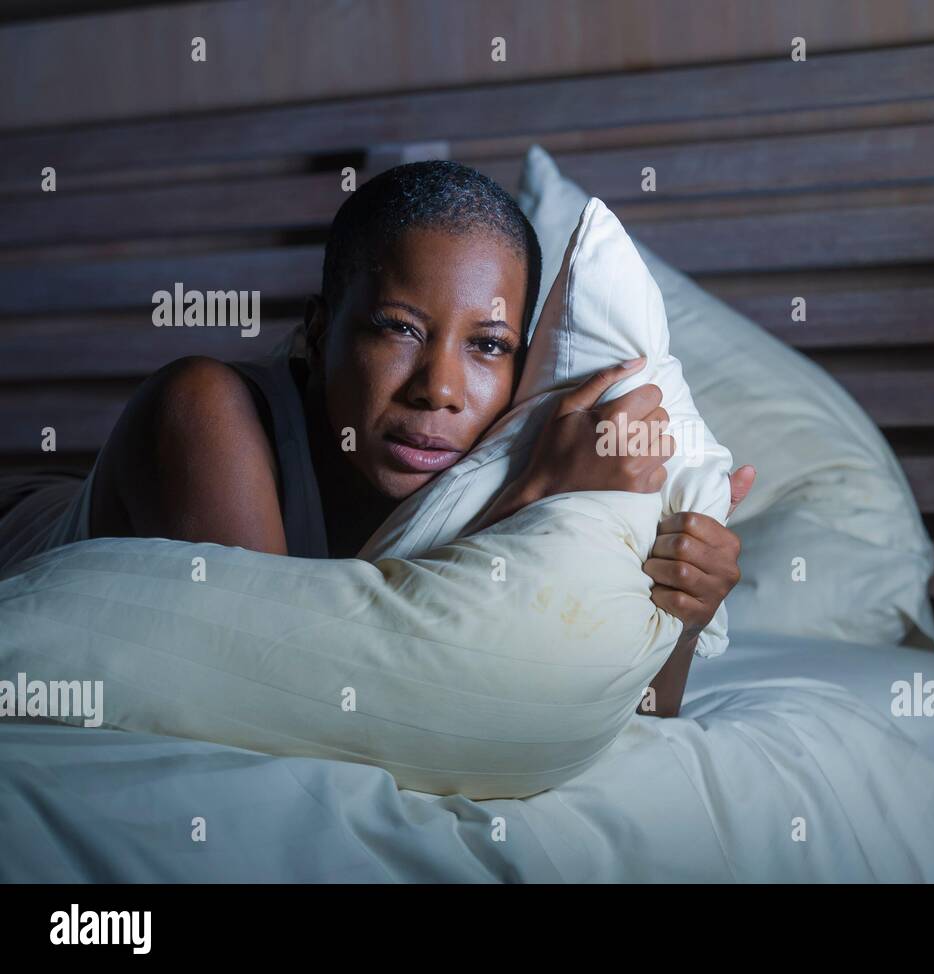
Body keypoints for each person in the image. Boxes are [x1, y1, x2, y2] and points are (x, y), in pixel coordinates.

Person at [0, 161, 754, 717]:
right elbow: (283, 684)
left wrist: (680, 603)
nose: (440, 387)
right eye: (398, 330)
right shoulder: (202, 408)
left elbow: (650, 713)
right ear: (321, 328)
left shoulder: (503, 447)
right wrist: (532, 499)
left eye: (488, 346)